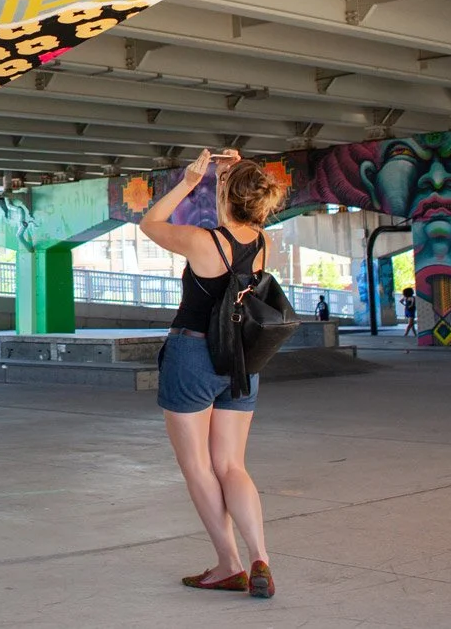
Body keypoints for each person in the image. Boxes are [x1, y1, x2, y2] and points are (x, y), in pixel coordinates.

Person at [142, 147, 289, 601]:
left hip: (193, 355)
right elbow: (240, 219)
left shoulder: (202, 242)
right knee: (231, 465)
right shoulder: (264, 243)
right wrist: (232, 174)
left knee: (198, 467)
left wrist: (190, 181)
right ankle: (260, 556)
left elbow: (150, 223)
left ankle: (230, 565)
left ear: (224, 196)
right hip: (242, 359)